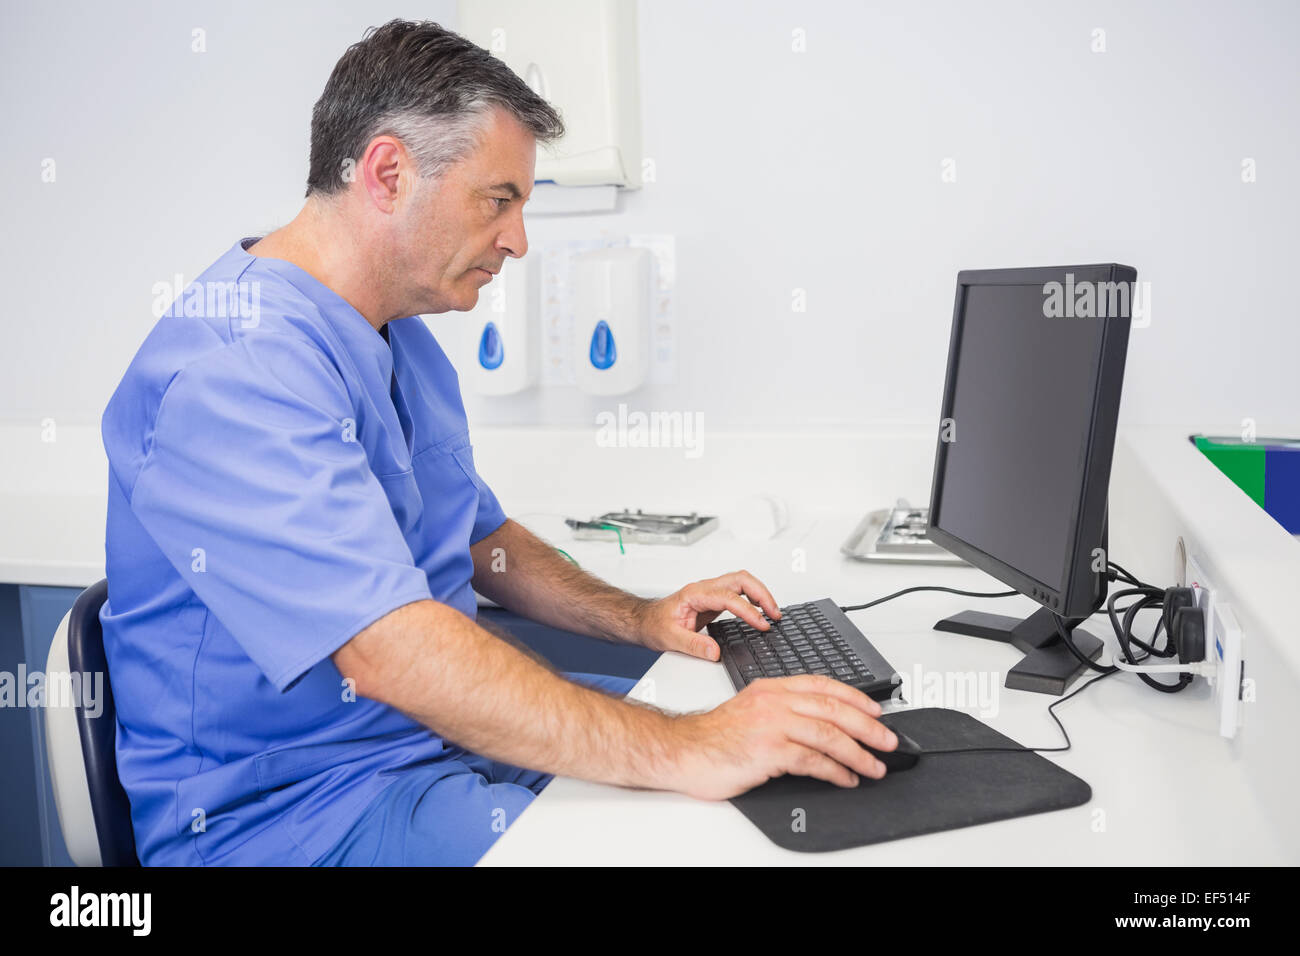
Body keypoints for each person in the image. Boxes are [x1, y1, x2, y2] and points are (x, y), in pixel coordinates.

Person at [100, 18, 898, 866]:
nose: (518, 239)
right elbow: (388, 651)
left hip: (429, 745)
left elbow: (481, 540)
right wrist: (690, 746)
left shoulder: (397, 335)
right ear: (388, 173)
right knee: (684, 822)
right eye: (499, 199)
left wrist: (642, 616)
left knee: (776, 787)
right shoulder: (234, 370)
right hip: (298, 810)